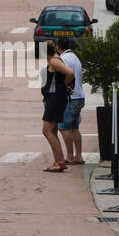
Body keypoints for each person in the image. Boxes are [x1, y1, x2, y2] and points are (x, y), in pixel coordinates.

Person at [40, 40, 76, 172]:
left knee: (46, 130)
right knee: (53, 131)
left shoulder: (55, 61)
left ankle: (60, 161)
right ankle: (57, 161)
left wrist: (64, 86)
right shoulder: (54, 59)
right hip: (54, 98)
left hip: (55, 98)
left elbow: (70, 73)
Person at [56, 37, 86, 165]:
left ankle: (69, 155)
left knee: (64, 128)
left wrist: (63, 86)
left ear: (58, 47)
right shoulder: (74, 57)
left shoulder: (63, 59)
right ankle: (78, 155)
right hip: (79, 96)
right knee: (74, 127)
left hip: (70, 98)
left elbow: (68, 74)